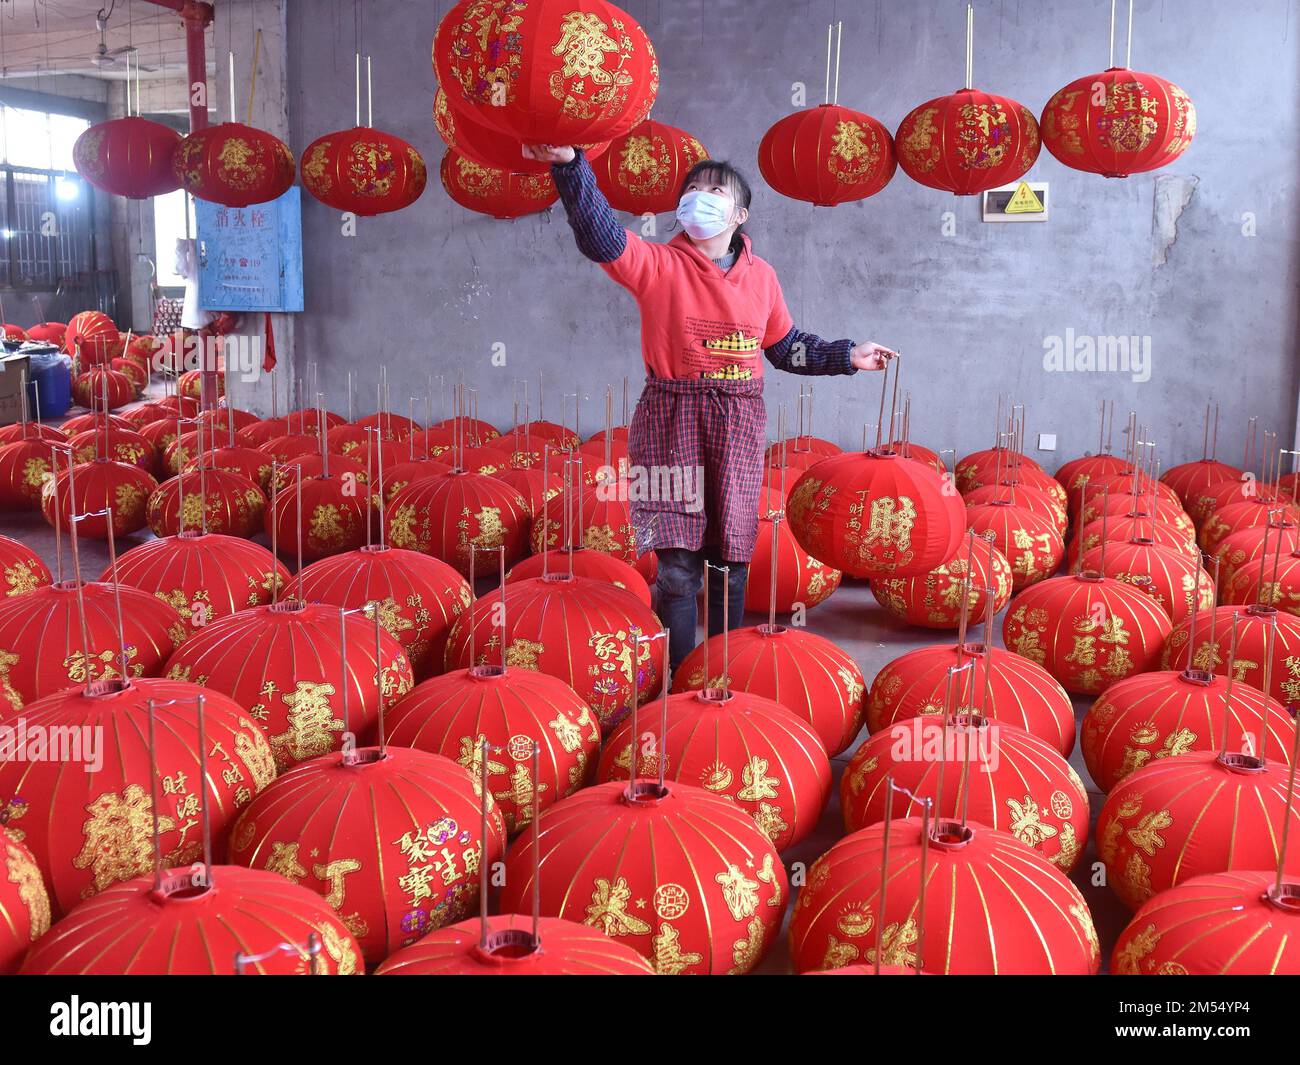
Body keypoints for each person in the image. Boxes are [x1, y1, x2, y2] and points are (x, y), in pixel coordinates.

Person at [524, 143, 897, 672]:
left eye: (714, 191)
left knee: (730, 556)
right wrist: (569, 166)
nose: (699, 198)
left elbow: (784, 345)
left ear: (739, 214)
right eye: (691, 190)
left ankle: (719, 671)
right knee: (676, 562)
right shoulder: (657, 264)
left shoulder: (761, 276)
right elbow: (599, 235)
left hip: (738, 422)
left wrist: (846, 355)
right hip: (670, 419)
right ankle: (678, 676)